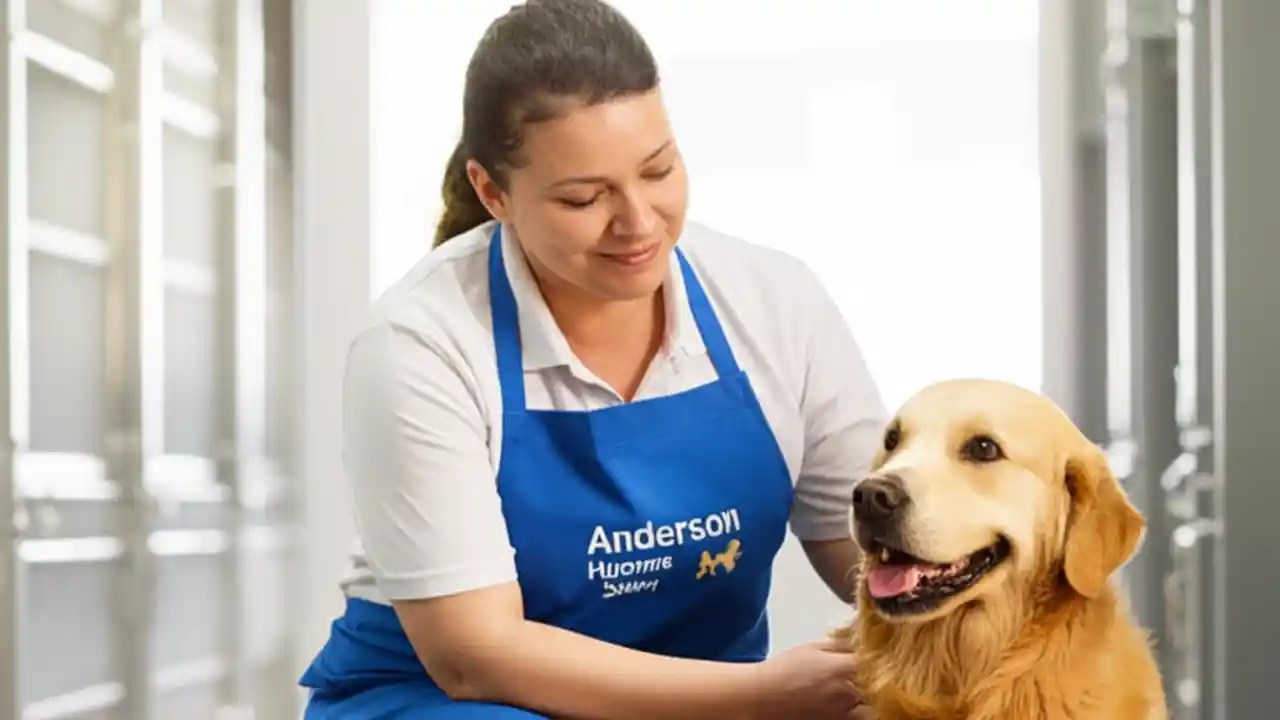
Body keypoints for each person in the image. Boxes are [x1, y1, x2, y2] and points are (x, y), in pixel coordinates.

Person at [299, 1, 887, 717]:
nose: (638, 223)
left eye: (658, 169)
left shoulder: (773, 302)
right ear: (493, 192)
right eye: (584, 198)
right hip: (449, 700)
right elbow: (472, 655)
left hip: (705, 700)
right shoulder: (423, 342)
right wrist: (768, 693)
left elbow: (873, 552)